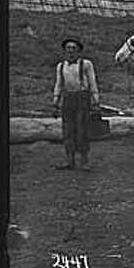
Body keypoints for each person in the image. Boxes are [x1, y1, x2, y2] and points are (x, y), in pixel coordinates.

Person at [53, 36, 100, 170]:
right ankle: (70, 161)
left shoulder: (86, 64)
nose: (71, 51)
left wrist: (96, 101)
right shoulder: (61, 66)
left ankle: (84, 161)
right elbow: (58, 84)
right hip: (67, 98)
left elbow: (92, 82)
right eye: (68, 48)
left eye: (74, 48)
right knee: (68, 131)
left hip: (82, 98)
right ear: (64, 50)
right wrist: (55, 101)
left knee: (82, 130)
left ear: (78, 51)